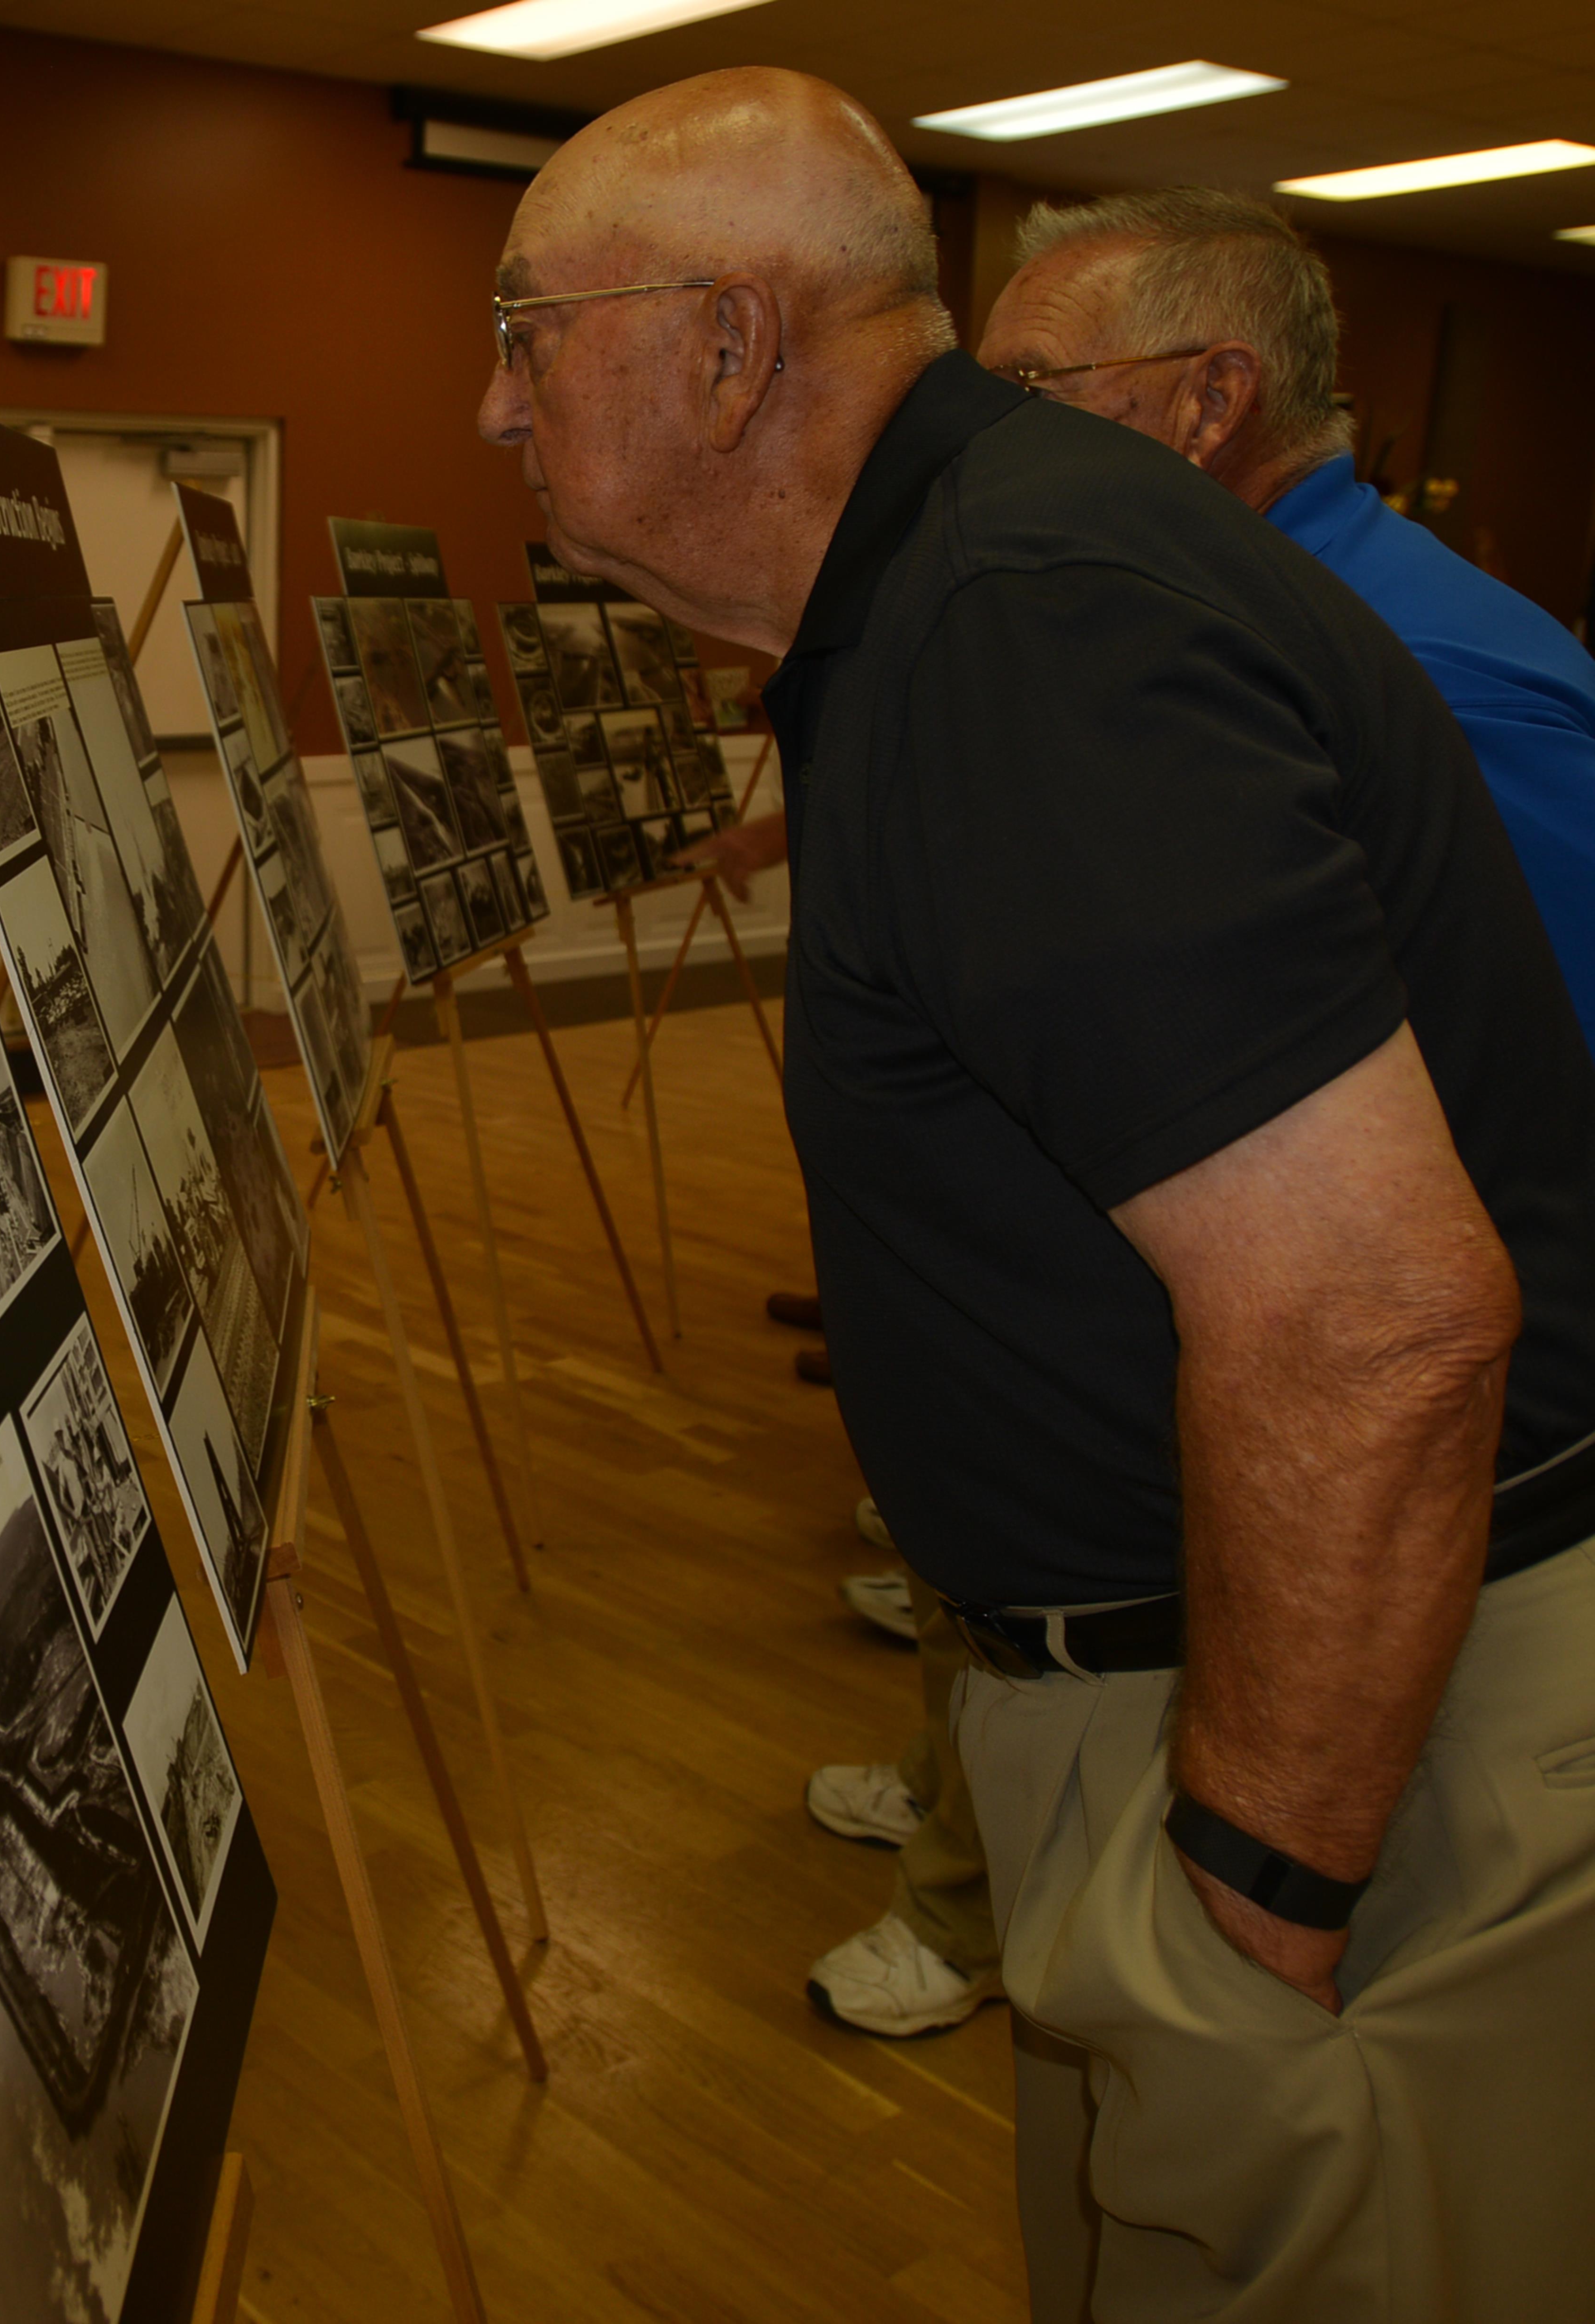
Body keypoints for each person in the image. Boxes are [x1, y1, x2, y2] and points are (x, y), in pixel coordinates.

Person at [483, 69, 1595, 2322]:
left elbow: (1377, 1320)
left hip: (1342, 1730)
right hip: (1272, 1676)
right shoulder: (965, 578)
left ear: (726, 341)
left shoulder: (1019, 618)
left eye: (528, 327)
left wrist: (1253, 1902)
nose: (487, 405)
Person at [768, 183, 1595, 2045]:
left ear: (1212, 393)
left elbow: (1504, 1091)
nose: (969, 434)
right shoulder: (1157, 602)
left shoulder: (1389, 656)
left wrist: (1256, 1892)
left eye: (1033, 383)